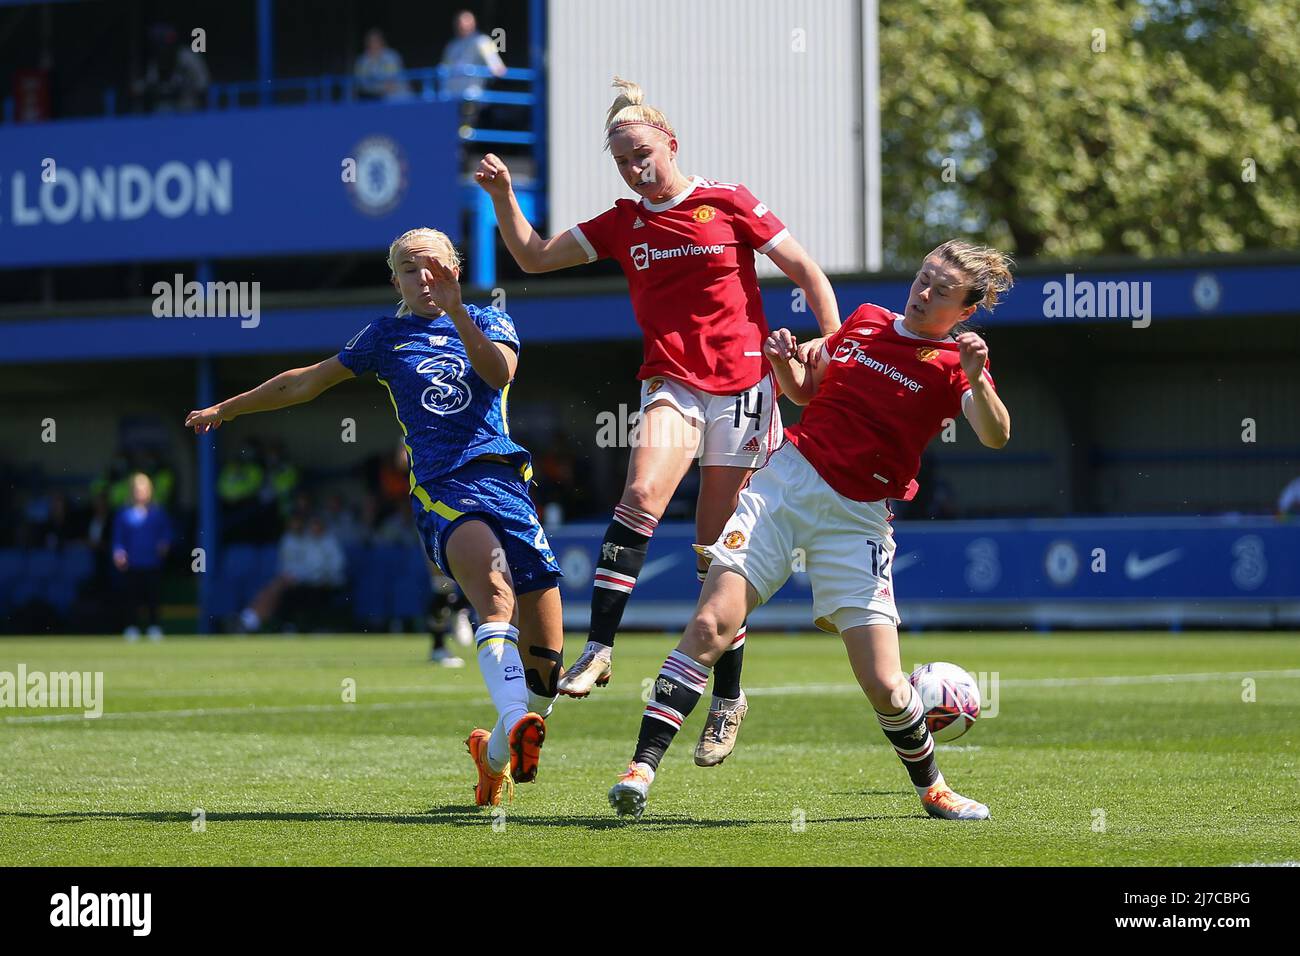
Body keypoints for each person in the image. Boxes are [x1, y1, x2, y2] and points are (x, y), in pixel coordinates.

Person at [475, 76, 842, 766]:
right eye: (621, 161)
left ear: (669, 143)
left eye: (642, 153)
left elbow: (806, 271)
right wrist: (502, 198)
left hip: (744, 387)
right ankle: (601, 647)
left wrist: (832, 342)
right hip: (672, 383)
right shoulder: (623, 222)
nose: (634, 168)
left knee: (717, 556)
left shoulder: (727, 202)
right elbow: (531, 256)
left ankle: (727, 696)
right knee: (640, 495)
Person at [608, 240, 1014, 822]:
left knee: (883, 682)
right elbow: (809, 395)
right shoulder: (867, 321)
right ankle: (639, 770)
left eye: (942, 291)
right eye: (924, 278)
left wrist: (978, 381)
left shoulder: (956, 365)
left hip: (858, 518)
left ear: (967, 310)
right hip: (787, 488)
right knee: (709, 622)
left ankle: (934, 791)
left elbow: (996, 435)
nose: (924, 293)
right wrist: (783, 365)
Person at [185, 227, 564, 807]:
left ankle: (494, 753)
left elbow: (499, 374)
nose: (424, 278)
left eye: (435, 267)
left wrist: (460, 312)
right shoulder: (384, 337)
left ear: (456, 270)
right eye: (411, 270)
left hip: (509, 485)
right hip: (444, 486)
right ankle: (514, 721)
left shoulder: (491, 320)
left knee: (547, 673)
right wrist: (225, 408)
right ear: (396, 281)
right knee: (493, 594)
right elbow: (306, 382)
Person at [239, 514, 347, 633]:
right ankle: (254, 617)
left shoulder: (330, 542)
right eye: (313, 525)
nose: (314, 528)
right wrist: (296, 576)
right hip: (306, 581)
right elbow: (304, 566)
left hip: (326, 583)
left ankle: (251, 618)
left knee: (278, 586)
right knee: (278, 586)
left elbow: (336, 567)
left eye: (317, 525)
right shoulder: (307, 541)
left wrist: (318, 577)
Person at [112, 472, 173, 640]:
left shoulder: (158, 512)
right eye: (137, 489)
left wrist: (165, 545)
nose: (141, 493)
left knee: (153, 596)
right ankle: (131, 627)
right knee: (132, 597)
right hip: (133, 563)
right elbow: (119, 538)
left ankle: (154, 626)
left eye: (144, 489)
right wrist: (118, 552)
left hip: (152, 562)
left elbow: (166, 533)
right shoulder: (124, 513)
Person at [439, 10, 507, 126]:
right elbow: (443, 70)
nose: (463, 25)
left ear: (474, 23)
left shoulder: (482, 41)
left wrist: (495, 70)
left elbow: (497, 66)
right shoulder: (452, 46)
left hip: (471, 98)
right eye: (460, 22)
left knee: (466, 131)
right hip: (451, 99)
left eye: (467, 22)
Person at [354, 29, 411, 102]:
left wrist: (387, 86)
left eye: (376, 41)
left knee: (402, 96)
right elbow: (362, 82)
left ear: (382, 42)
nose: (374, 44)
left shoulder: (391, 56)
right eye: (371, 41)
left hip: (396, 92)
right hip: (370, 96)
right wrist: (380, 88)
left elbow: (393, 77)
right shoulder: (362, 60)